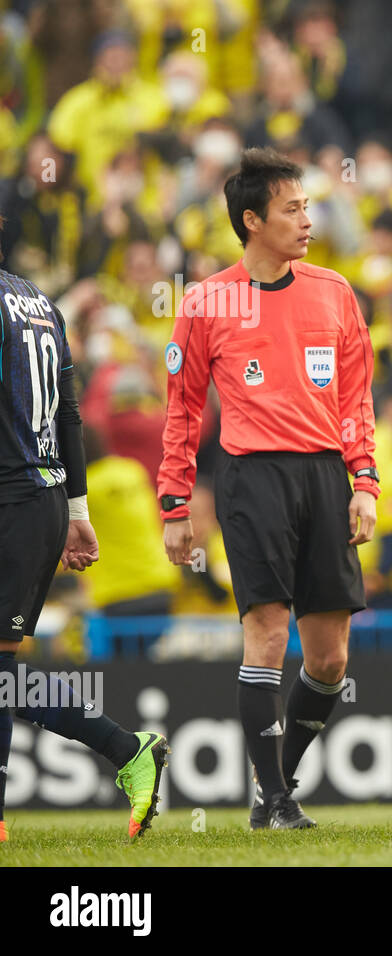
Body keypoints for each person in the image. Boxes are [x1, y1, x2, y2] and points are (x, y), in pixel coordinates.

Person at [157, 148, 380, 830]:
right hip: (252, 478)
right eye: (292, 208)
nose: (307, 219)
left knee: (330, 656)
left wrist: (364, 480)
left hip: (323, 474)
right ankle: (278, 801)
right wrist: (174, 501)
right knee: (266, 632)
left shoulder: (335, 292)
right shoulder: (205, 302)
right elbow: (183, 408)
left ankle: (274, 783)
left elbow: (356, 398)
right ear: (252, 220)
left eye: (307, 205)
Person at [0, 258, 167, 842]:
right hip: (39, 500)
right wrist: (73, 510)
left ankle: (125, 750)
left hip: (13, 503)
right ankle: (127, 749)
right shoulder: (41, 303)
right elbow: (67, 411)